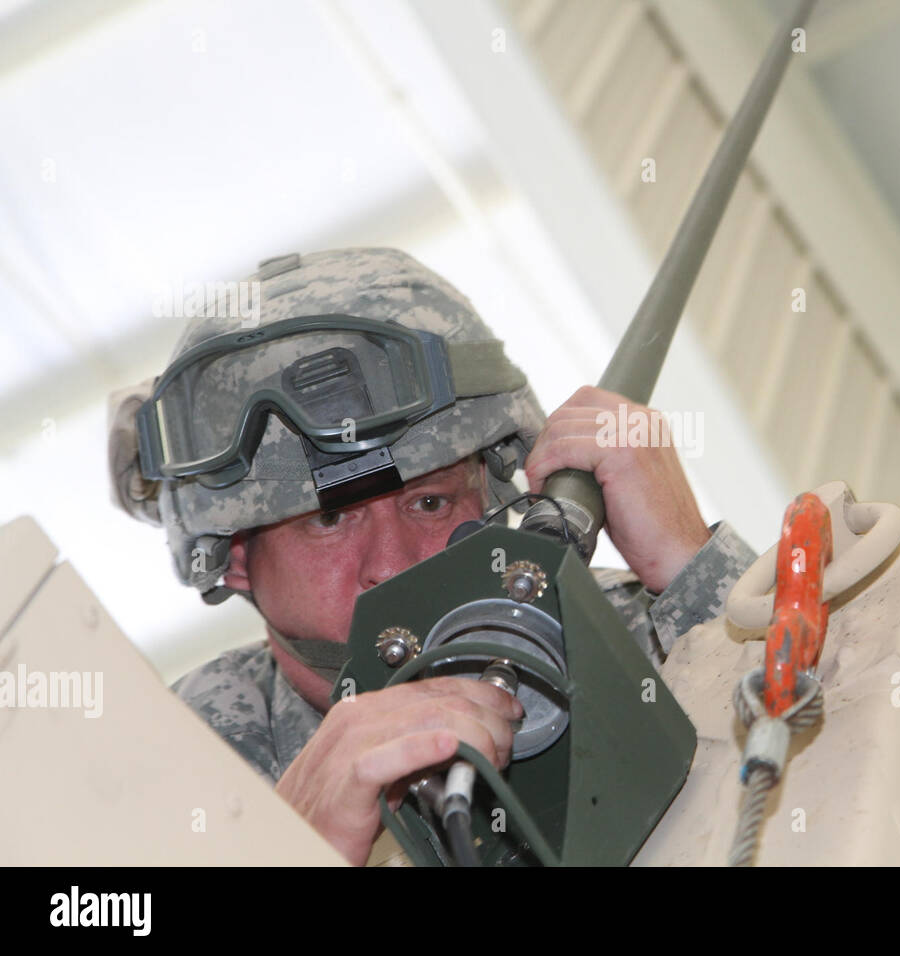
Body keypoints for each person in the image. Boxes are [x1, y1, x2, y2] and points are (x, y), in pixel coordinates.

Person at [108, 247, 756, 865]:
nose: (394, 566)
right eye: (330, 520)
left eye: (430, 503)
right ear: (237, 559)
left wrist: (695, 572)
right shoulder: (180, 761)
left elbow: (831, 755)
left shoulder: (634, 634)